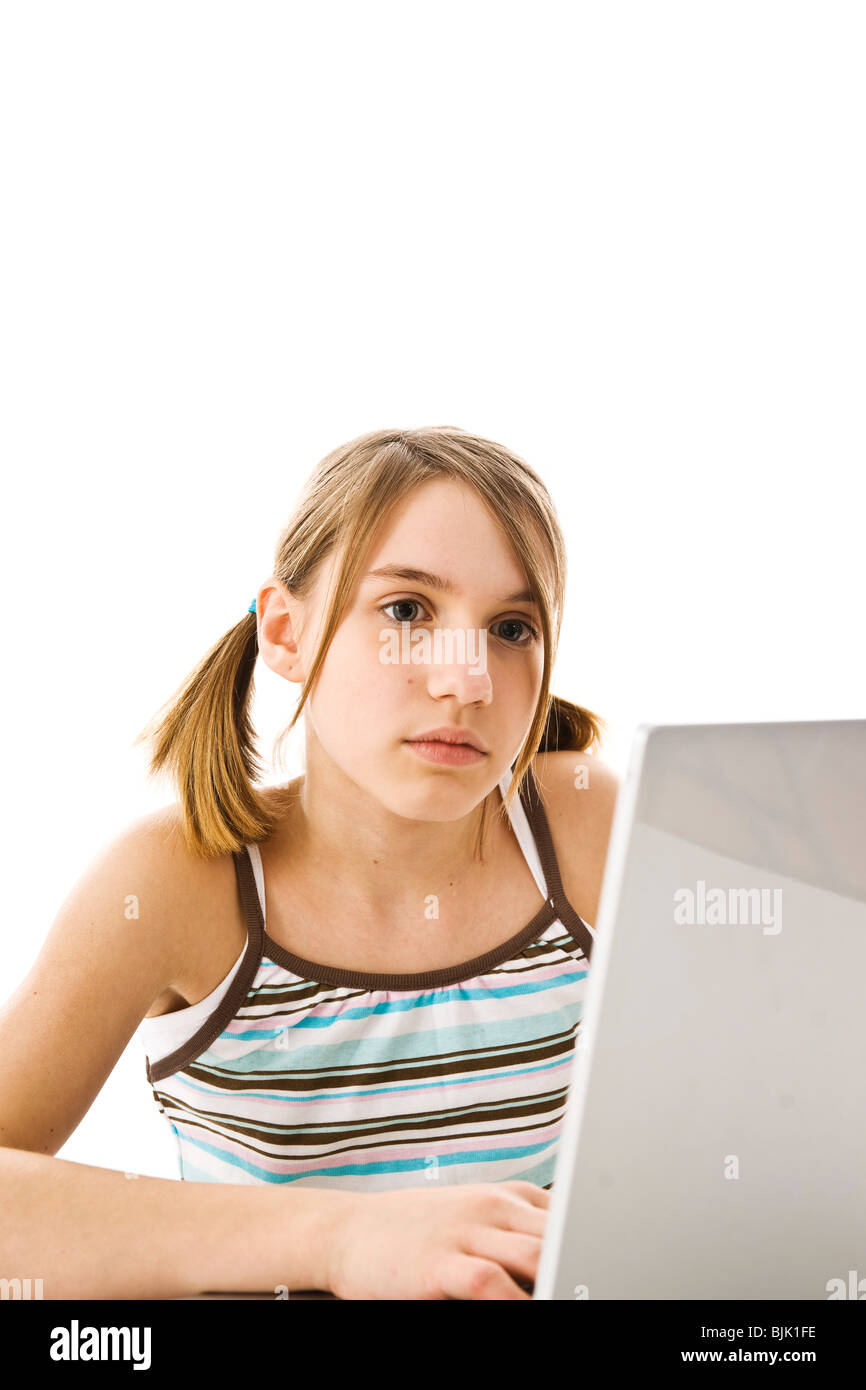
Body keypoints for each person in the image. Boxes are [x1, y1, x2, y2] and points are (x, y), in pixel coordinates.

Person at [0, 426, 618, 1299]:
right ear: (285, 633)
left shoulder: (585, 826)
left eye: (512, 627)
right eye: (406, 611)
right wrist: (344, 1238)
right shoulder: (180, 883)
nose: (467, 680)